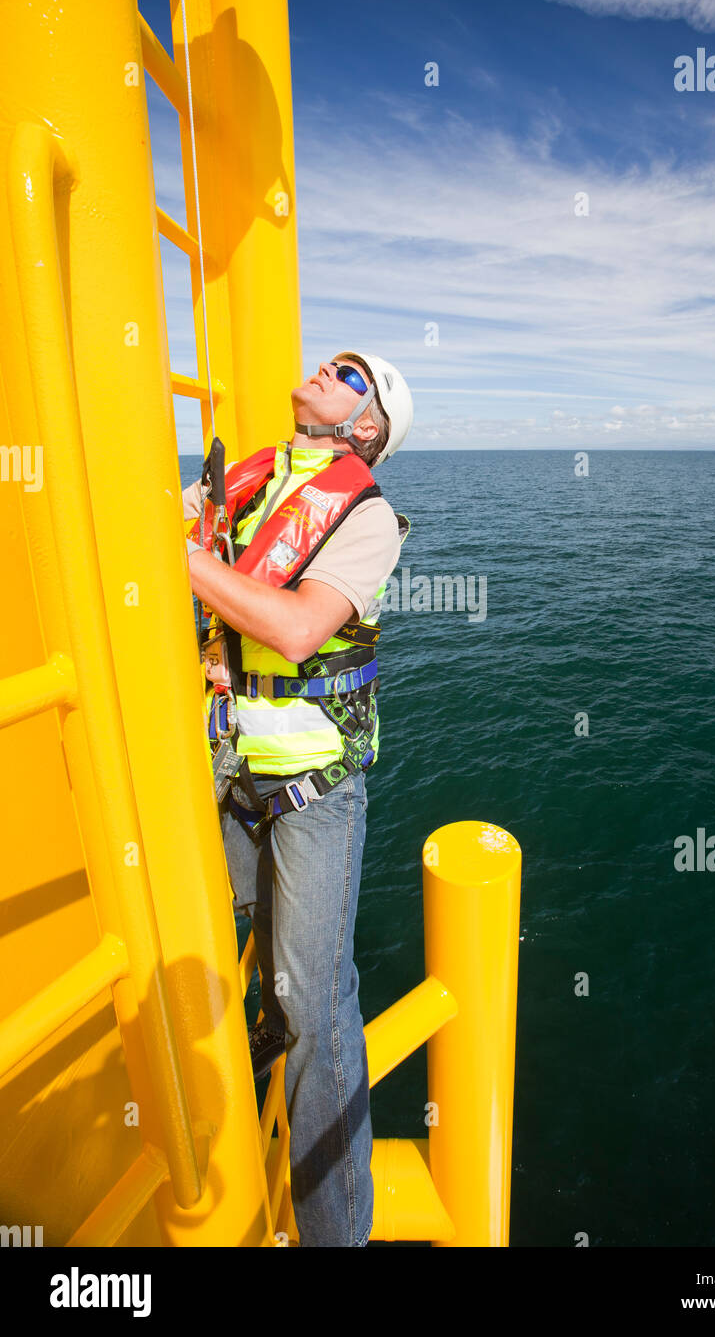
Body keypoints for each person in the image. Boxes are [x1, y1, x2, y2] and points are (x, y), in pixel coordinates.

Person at [182, 352, 412, 1247]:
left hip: (313, 786)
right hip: (223, 765)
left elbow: (291, 626)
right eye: (334, 360)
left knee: (316, 1007)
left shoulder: (367, 518)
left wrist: (177, 558)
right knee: (214, 939)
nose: (327, 366)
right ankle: (247, 1062)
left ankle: (336, 1233)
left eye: (350, 374)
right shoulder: (249, 482)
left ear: (368, 427)